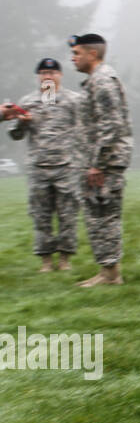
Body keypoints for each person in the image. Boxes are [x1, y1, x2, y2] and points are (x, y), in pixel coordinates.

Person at [2, 58, 83, 271]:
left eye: (52, 72)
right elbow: (15, 135)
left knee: (68, 214)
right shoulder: (28, 101)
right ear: (38, 76)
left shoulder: (74, 100)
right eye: (43, 73)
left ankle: (65, 260)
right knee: (41, 215)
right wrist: (21, 121)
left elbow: (85, 130)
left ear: (61, 75)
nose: (48, 76)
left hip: (67, 166)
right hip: (38, 168)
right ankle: (46, 261)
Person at [65, 34, 133, 287]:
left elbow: (111, 125)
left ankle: (111, 275)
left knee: (104, 217)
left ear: (92, 54)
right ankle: (107, 271)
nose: (73, 58)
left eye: (77, 53)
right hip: (99, 162)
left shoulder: (103, 81)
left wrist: (97, 163)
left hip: (104, 164)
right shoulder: (95, 80)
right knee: (98, 217)